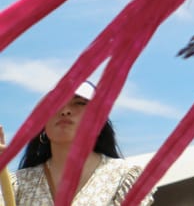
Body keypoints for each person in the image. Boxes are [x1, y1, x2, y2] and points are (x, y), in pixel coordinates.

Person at [0, 82, 152, 206]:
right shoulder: (17, 184)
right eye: (56, 104)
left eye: (79, 103)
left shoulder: (124, 177)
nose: (65, 111)